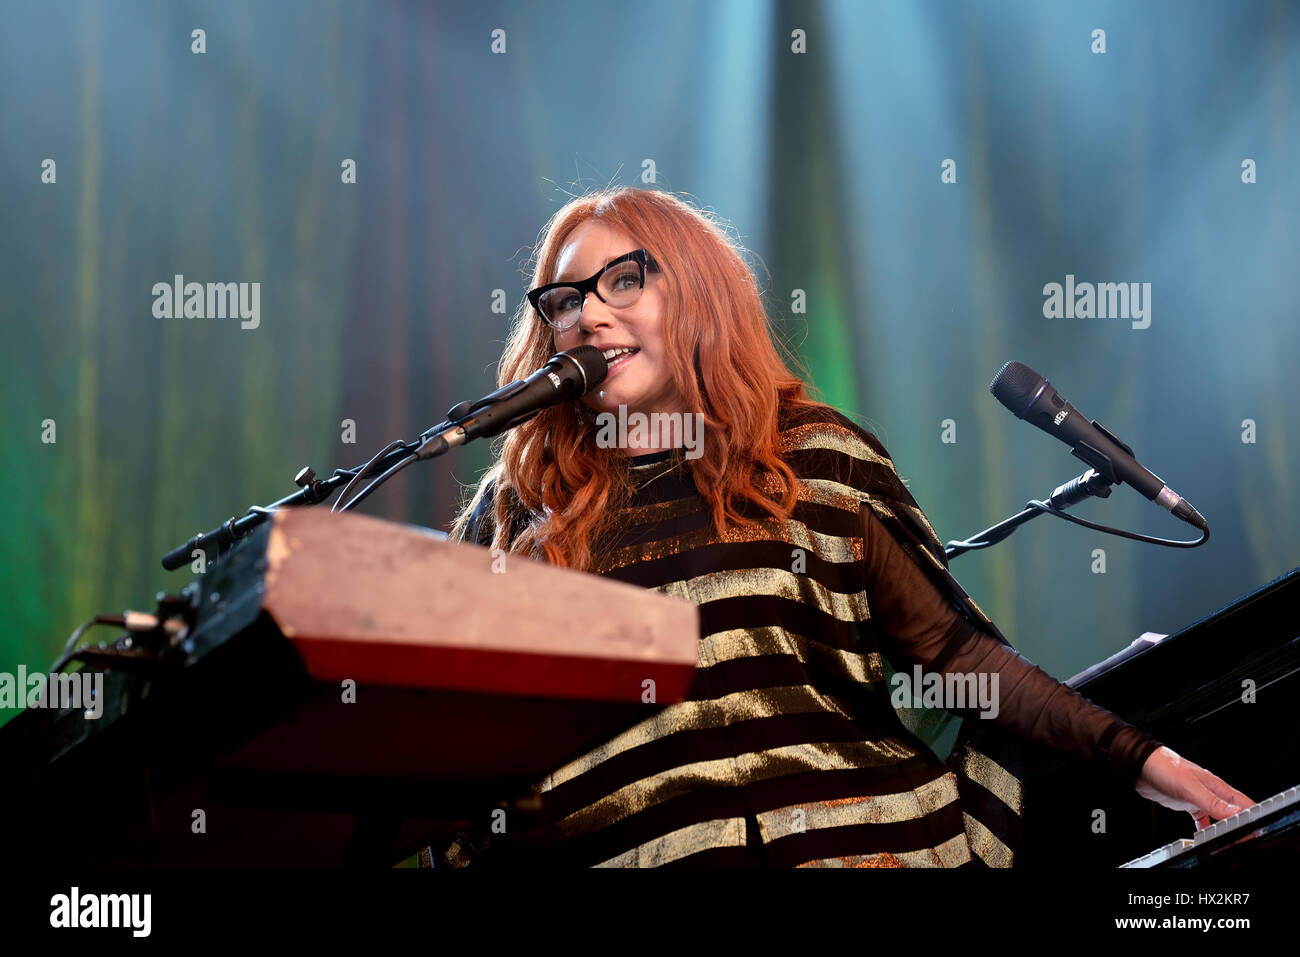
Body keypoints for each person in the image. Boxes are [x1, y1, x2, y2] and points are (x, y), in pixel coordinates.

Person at [435, 186, 1253, 868]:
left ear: (695, 291)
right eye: (566, 301)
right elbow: (460, 757)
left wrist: (1142, 757)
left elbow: (956, 658)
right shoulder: (515, 515)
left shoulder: (811, 458)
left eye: (622, 281)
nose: (589, 316)